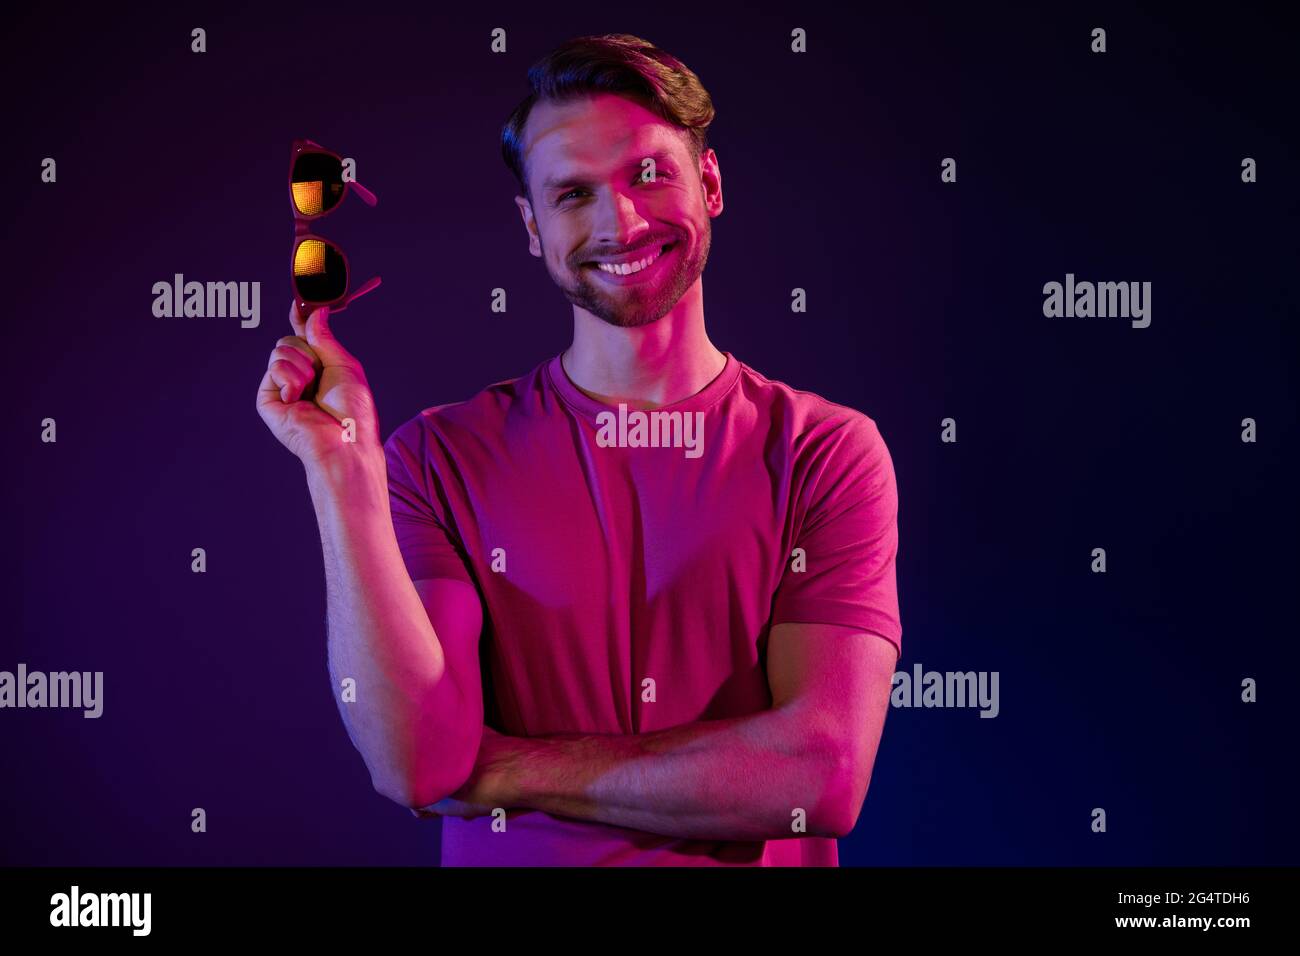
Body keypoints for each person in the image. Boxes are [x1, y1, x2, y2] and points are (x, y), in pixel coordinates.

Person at [256, 33, 902, 866]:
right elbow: (415, 761)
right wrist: (341, 468)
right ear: (532, 226)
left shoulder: (825, 451)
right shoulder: (436, 458)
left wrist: (506, 769)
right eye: (571, 194)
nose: (619, 220)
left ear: (709, 183)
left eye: (648, 173)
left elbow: (821, 776)